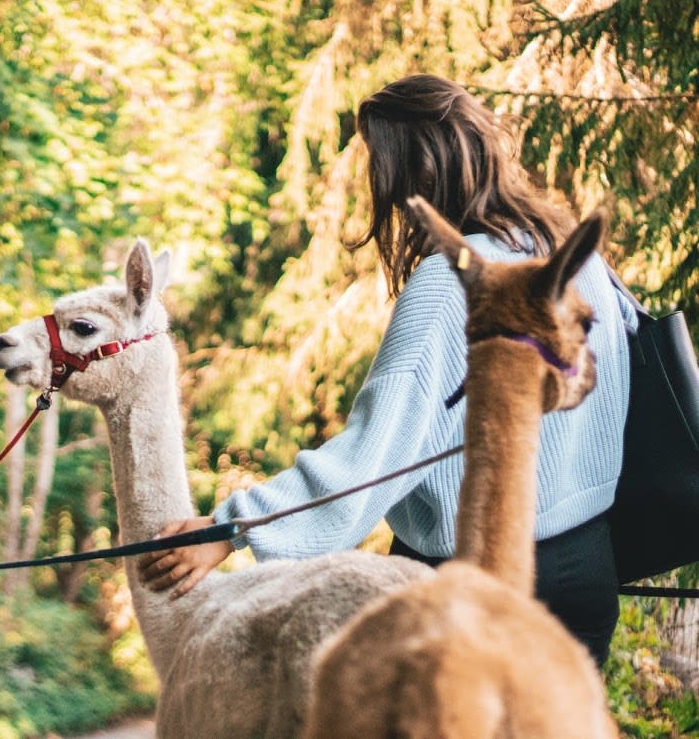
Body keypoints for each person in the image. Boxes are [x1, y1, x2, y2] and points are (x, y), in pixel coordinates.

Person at [138, 74, 637, 667]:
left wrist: (233, 528)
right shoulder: (572, 254)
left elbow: (372, 454)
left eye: (379, 166)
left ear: (412, 173)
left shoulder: (454, 284)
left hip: (472, 583)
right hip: (587, 572)